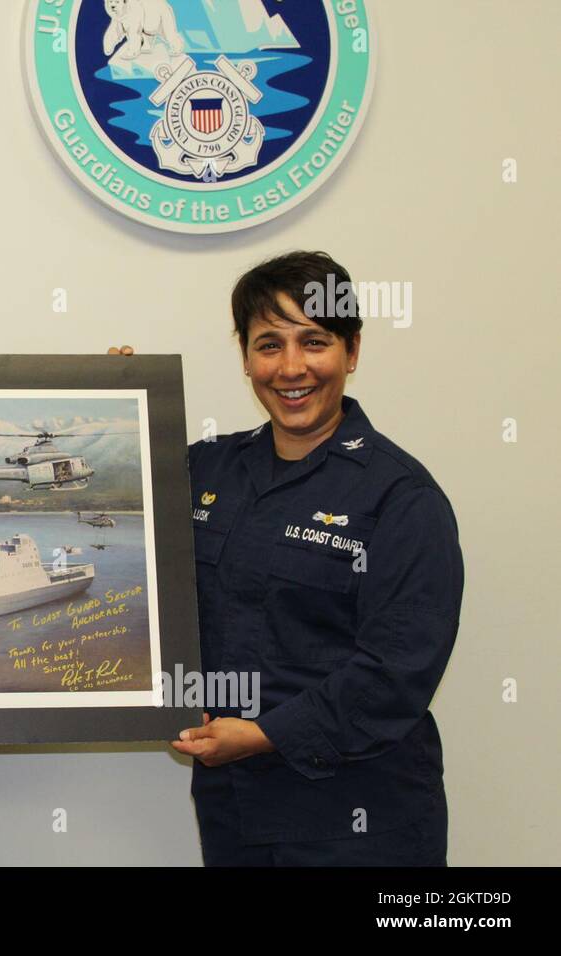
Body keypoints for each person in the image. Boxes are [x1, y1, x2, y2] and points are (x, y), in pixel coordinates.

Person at [112, 250, 463, 865]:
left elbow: (396, 673)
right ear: (245, 357)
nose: (292, 367)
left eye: (315, 341)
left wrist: (266, 735)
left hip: (359, 823)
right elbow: (128, 519)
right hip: (234, 813)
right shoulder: (201, 469)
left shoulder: (401, 497)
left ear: (351, 352)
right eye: (269, 344)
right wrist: (112, 406)